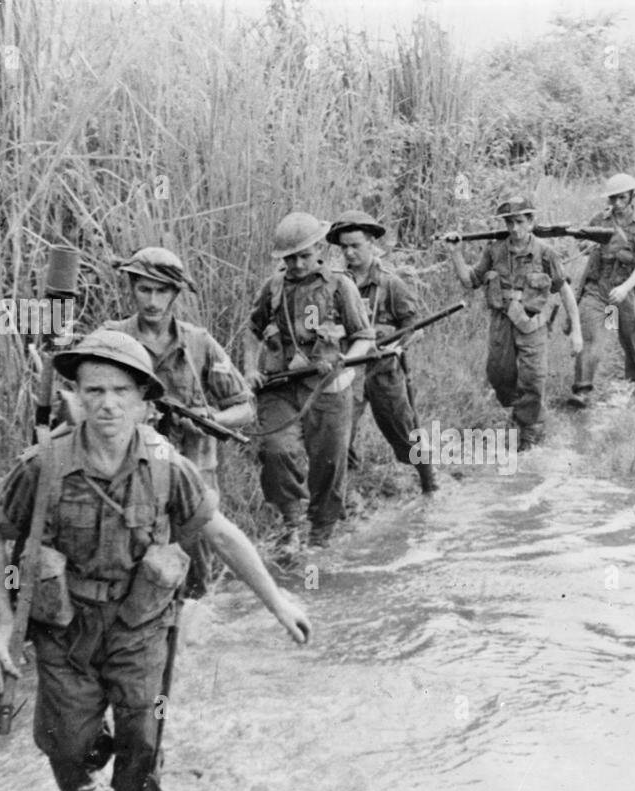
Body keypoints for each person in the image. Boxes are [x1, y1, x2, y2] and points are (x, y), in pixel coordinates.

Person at [0, 331, 310, 791]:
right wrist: (2, 623)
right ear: (76, 396)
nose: (107, 405)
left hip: (140, 626)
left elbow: (220, 534)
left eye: (120, 392)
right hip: (65, 628)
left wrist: (278, 602)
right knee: (68, 750)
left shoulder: (167, 467)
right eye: (94, 391)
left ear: (143, 402)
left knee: (142, 742)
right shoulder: (45, 465)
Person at [101, 246, 257, 598]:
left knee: (195, 570)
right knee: (132, 568)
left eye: (161, 291)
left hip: (193, 471)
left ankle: (191, 639)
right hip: (130, 473)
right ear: (132, 289)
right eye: (144, 289)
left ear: (174, 294)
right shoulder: (113, 340)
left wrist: (212, 418)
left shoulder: (199, 342)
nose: (152, 301)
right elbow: (86, 402)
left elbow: (245, 408)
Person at [248, 212, 376, 550]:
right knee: (276, 451)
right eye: (291, 258)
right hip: (280, 386)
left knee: (328, 464)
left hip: (327, 388)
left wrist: (343, 360)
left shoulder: (339, 285)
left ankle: (321, 533)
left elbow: (365, 336)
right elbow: (253, 330)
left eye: (305, 255)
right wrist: (250, 369)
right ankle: (291, 523)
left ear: (318, 249)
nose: (299, 263)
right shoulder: (273, 287)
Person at [442, 195, 582, 451]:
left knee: (532, 377)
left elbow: (564, 291)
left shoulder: (546, 253)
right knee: (498, 374)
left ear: (531, 222)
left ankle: (528, 429)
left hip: (532, 324)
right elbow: (470, 281)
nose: (514, 229)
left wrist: (577, 332)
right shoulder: (494, 251)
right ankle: (519, 412)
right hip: (502, 322)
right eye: (510, 223)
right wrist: (456, 254)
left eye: (519, 222)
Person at [326, 210, 437, 495]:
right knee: (338, 435)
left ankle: (428, 481)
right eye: (344, 247)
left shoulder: (390, 283)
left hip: (385, 372)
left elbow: (413, 326)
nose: (349, 252)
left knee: (405, 434)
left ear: (372, 243)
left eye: (356, 245)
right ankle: (347, 491)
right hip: (350, 373)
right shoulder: (334, 283)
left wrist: (396, 345)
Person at [568, 173, 635, 407]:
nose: (616, 204)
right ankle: (582, 391)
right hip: (597, 290)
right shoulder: (600, 219)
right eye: (612, 199)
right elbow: (582, 244)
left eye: (621, 198)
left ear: (632, 196)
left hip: (622, 291)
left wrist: (626, 288)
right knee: (592, 338)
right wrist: (590, 244)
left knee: (628, 337)